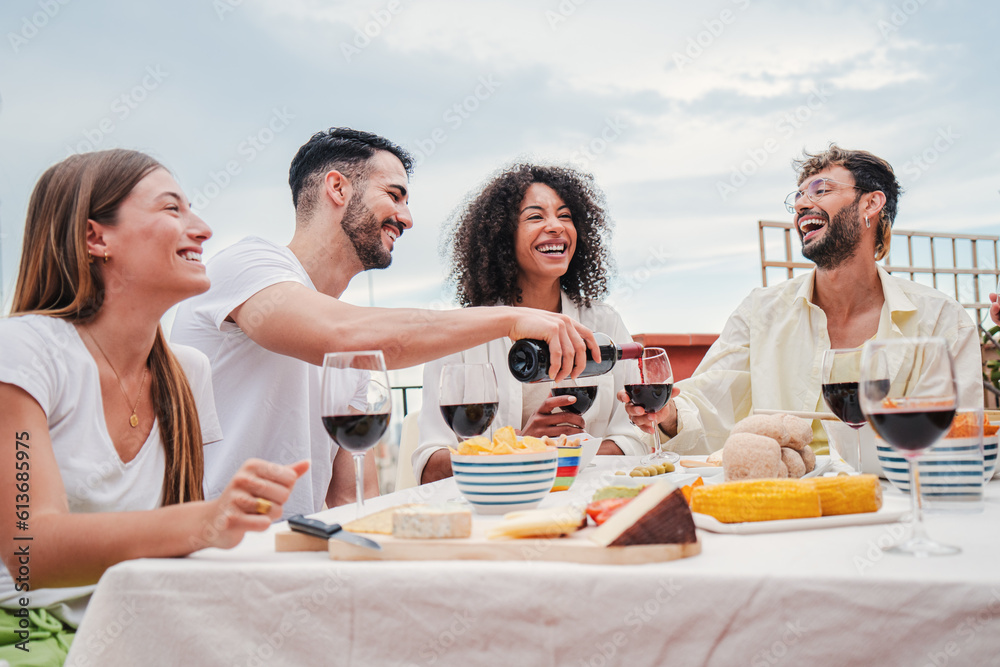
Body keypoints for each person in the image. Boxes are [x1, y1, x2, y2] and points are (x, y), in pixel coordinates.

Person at [171, 129, 599, 517]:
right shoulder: (247, 265)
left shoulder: (356, 347)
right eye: (394, 195)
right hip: (208, 553)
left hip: (290, 555)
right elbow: (342, 335)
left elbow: (353, 499)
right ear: (338, 188)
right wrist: (512, 318)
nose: (406, 217)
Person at [0, 150, 307, 665]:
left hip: (135, 622)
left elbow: (175, 544)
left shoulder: (187, 372)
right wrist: (207, 520)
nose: (203, 229)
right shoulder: (23, 350)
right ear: (96, 238)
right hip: (24, 633)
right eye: (172, 209)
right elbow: (30, 550)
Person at [621, 145, 983, 456]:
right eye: (797, 197)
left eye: (820, 190)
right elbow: (710, 399)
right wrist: (668, 416)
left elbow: (959, 437)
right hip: (785, 495)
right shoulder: (759, 312)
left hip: (897, 496)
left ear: (870, 203)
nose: (801, 205)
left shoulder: (942, 321)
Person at [415, 164, 646, 484]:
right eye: (536, 217)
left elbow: (636, 439)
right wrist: (523, 447)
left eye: (565, 216)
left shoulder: (604, 322)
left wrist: (561, 456)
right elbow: (430, 465)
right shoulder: (460, 334)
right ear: (502, 236)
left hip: (589, 500)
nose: (556, 226)